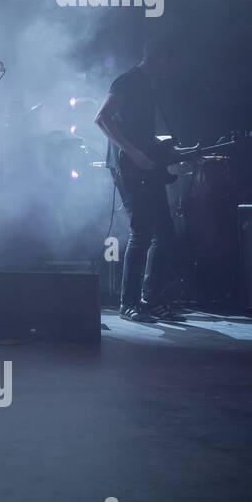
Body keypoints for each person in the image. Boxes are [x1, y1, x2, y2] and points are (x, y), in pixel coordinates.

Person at [94, 37, 182, 323]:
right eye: (171, 61)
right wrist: (132, 153)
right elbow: (101, 118)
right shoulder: (127, 82)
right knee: (142, 232)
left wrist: (178, 154)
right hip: (128, 167)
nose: (173, 68)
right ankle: (128, 303)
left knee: (165, 233)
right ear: (159, 58)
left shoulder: (150, 86)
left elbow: (143, 135)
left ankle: (150, 299)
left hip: (146, 166)